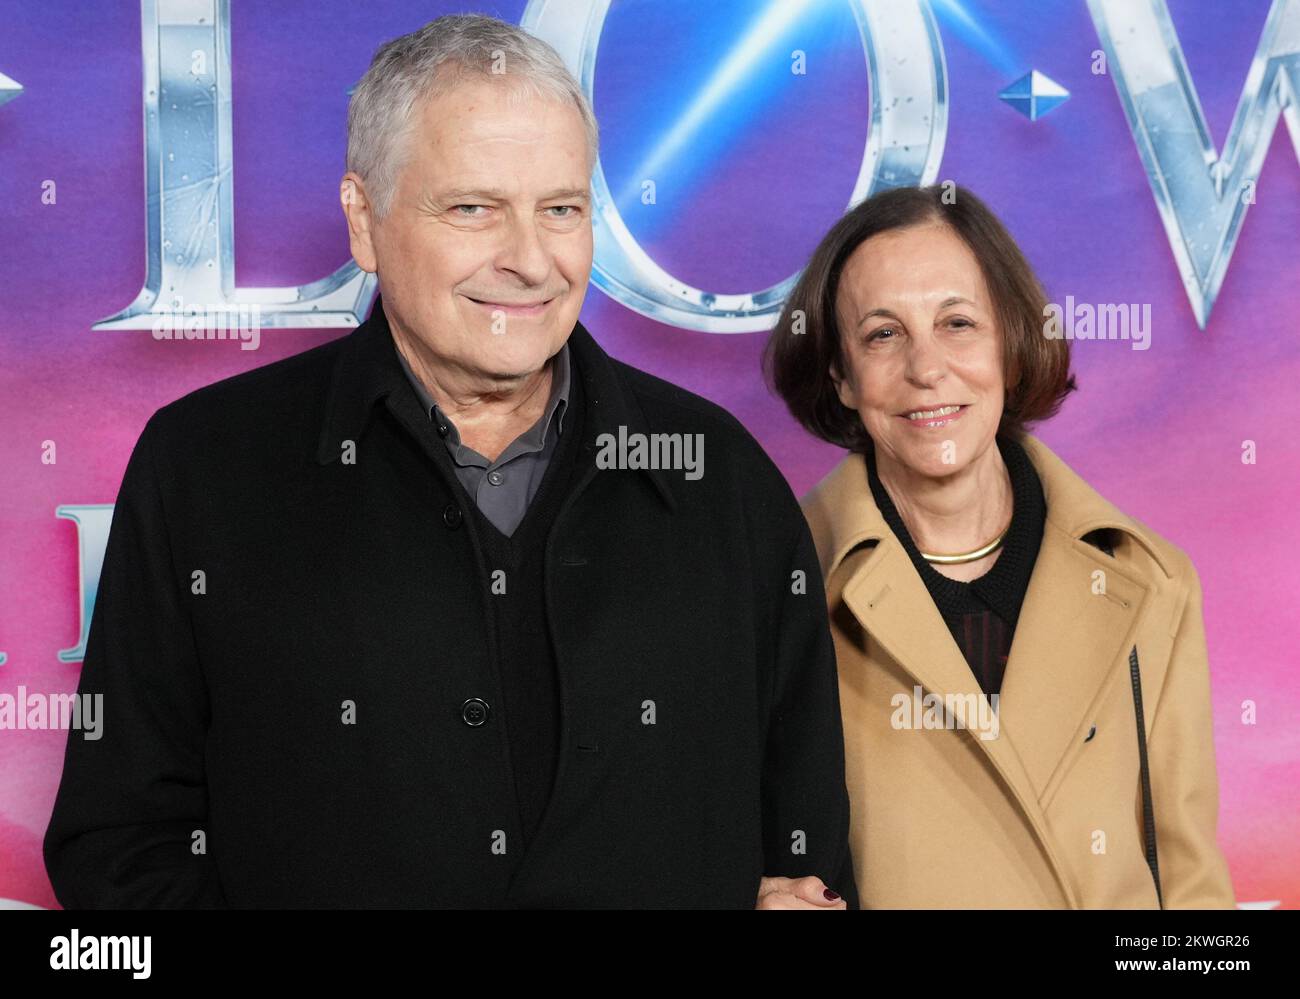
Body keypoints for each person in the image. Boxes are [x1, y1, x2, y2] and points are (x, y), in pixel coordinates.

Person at [43, 14, 855, 910]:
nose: (528, 259)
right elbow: (118, 846)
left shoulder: (719, 475)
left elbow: (807, 846)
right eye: (473, 208)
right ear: (365, 219)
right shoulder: (201, 468)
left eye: (562, 209)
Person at [765, 184, 1235, 908]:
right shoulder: (773, 590)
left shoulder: (1153, 578)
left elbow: (1193, 892)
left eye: (957, 322)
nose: (927, 369)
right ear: (842, 376)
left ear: (1011, 344)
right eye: (883, 334)